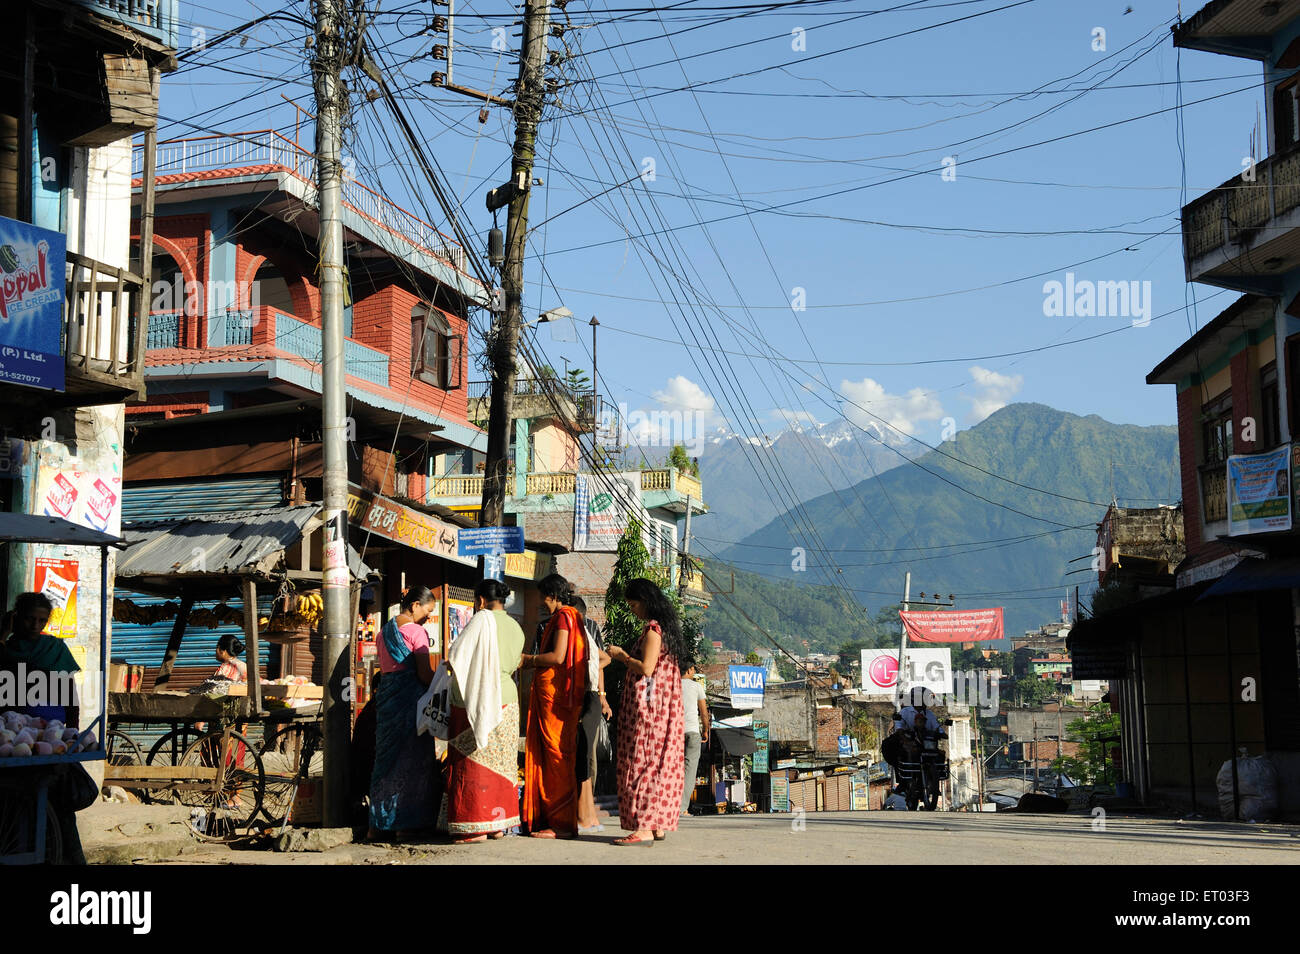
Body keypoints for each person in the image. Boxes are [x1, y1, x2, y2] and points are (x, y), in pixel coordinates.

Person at [607, 577, 689, 846]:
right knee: (658, 763)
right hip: (662, 707)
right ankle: (656, 825)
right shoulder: (667, 629)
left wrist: (621, 656)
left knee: (642, 761)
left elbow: (646, 668)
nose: (632, 610)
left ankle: (643, 826)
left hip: (649, 708)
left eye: (633, 604)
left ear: (645, 601)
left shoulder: (653, 630)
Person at [445, 579, 526, 843]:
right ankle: (498, 824)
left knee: (472, 762)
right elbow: (516, 663)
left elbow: (458, 654)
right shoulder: (515, 626)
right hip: (508, 699)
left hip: (478, 699)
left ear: (480, 600)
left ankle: (475, 827)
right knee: (501, 763)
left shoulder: (481, 620)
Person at [519, 573, 587, 839]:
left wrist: (530, 659)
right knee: (560, 756)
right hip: (562, 697)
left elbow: (558, 656)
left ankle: (559, 823)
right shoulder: (574, 617)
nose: (541, 603)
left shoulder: (563, 617)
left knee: (556, 757)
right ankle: (560, 821)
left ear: (553, 596)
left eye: (543, 598)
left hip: (555, 697)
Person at [369, 585, 439, 840]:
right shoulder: (417, 632)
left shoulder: (383, 632)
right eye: (428, 611)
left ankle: (375, 826)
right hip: (411, 701)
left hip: (387, 697)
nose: (428, 617)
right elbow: (423, 673)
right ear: (414, 606)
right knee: (412, 761)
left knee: (385, 761)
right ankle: (405, 825)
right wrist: (444, 686)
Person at [0, 592, 79, 725]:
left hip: (50, 728)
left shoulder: (55, 648)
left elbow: (70, 694)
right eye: (29, 619)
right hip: (10, 727)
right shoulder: (6, 648)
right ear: (16, 617)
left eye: (42, 620)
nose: (35, 626)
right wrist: (3, 634)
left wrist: (73, 731)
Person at [572, 596, 612, 833]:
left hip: (586, 698)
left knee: (584, 759)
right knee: (585, 758)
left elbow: (602, 658)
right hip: (590, 699)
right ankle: (586, 816)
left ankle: (585, 815)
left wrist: (602, 694)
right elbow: (602, 659)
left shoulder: (585, 631)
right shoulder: (581, 632)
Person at [680, 664, 709, 817]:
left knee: (674, 771)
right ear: (689, 669)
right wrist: (705, 730)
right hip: (692, 731)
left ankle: (671, 806)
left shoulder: (672, 684)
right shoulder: (696, 687)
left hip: (675, 733)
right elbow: (704, 713)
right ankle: (682, 809)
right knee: (689, 771)